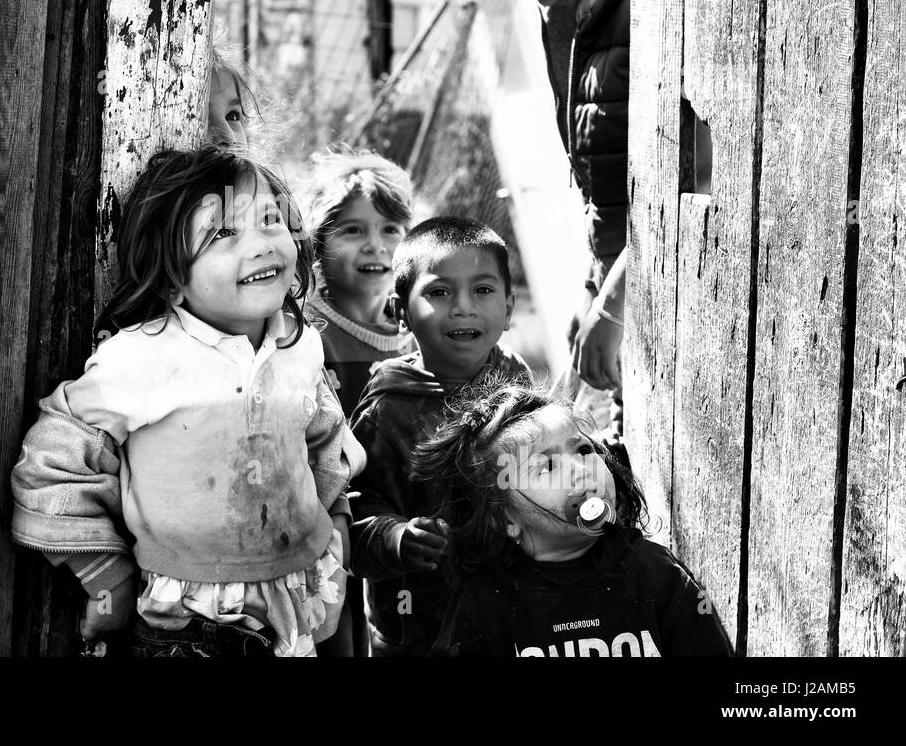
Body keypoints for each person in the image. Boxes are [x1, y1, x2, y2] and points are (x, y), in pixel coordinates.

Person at [10, 147, 365, 657]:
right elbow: (53, 462)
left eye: (270, 221)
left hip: (300, 604)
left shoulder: (299, 345)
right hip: (191, 626)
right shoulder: (142, 357)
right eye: (222, 234)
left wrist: (335, 522)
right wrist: (105, 575)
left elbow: (324, 437)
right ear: (173, 276)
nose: (262, 244)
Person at [438, 0, 630, 431]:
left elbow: (687, 175)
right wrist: (593, 291)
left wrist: (617, 303)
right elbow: (609, 183)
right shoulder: (567, 14)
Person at [413, 384, 734, 657]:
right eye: (547, 466)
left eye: (583, 450)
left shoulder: (655, 573)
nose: (581, 469)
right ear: (504, 518)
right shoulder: (484, 606)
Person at [350, 216, 532, 656]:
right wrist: (396, 538)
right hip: (418, 630)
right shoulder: (388, 410)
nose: (463, 307)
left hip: (511, 616)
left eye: (483, 290)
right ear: (402, 312)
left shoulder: (516, 381)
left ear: (509, 309)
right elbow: (350, 517)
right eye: (439, 292)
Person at [301, 147, 417, 656]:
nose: (376, 246)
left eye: (391, 229)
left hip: (398, 525)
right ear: (319, 243)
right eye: (352, 230)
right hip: (330, 527)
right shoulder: (306, 335)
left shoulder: (418, 329)